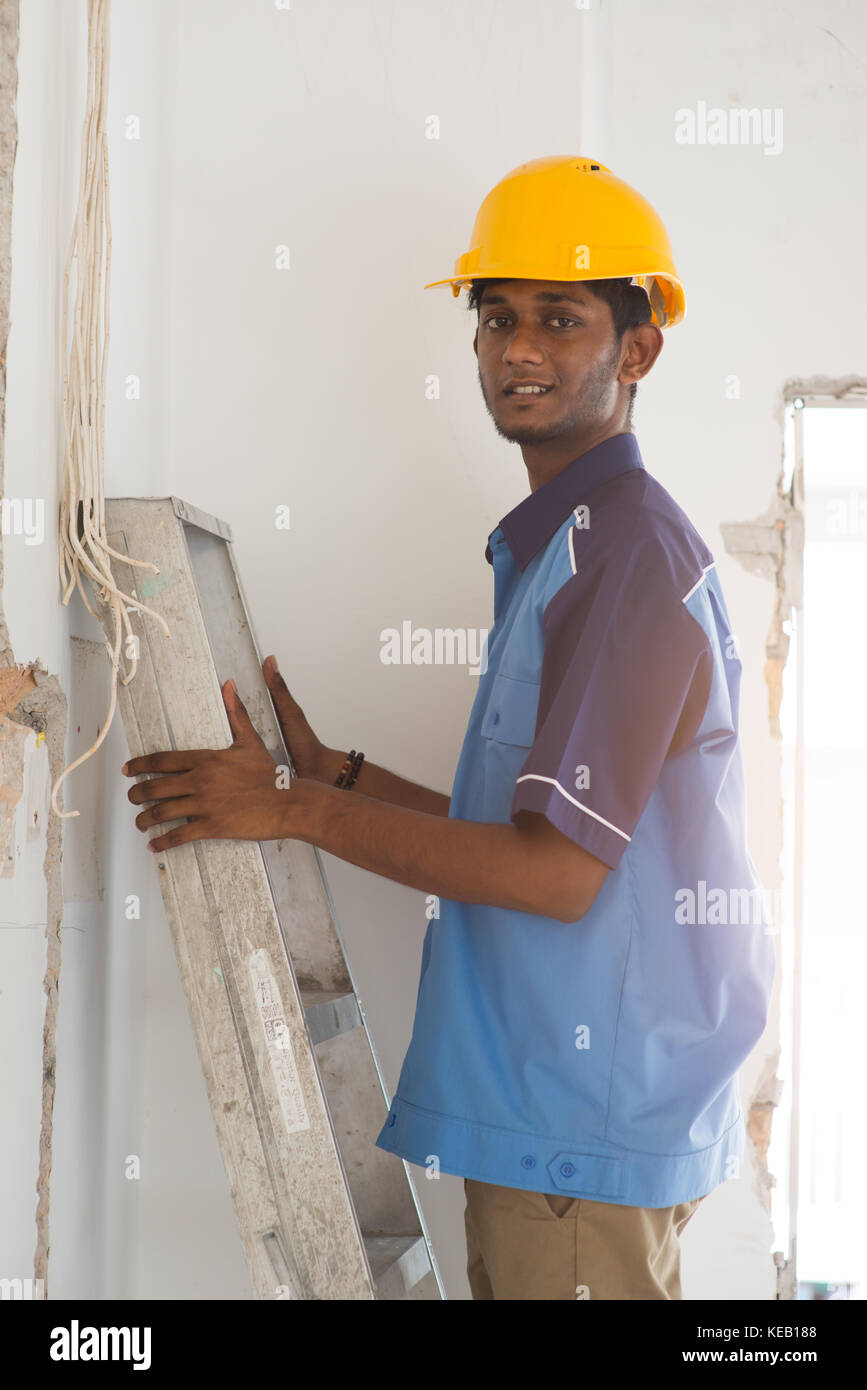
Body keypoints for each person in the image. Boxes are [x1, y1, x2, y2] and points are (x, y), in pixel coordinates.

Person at [121, 156, 777, 1300]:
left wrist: (290, 809)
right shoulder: (572, 540)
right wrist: (342, 776)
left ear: (638, 349)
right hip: (557, 1124)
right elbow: (532, 832)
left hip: (580, 1134)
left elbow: (561, 875)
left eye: (561, 320)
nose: (519, 348)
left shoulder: (623, 556)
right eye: (499, 317)